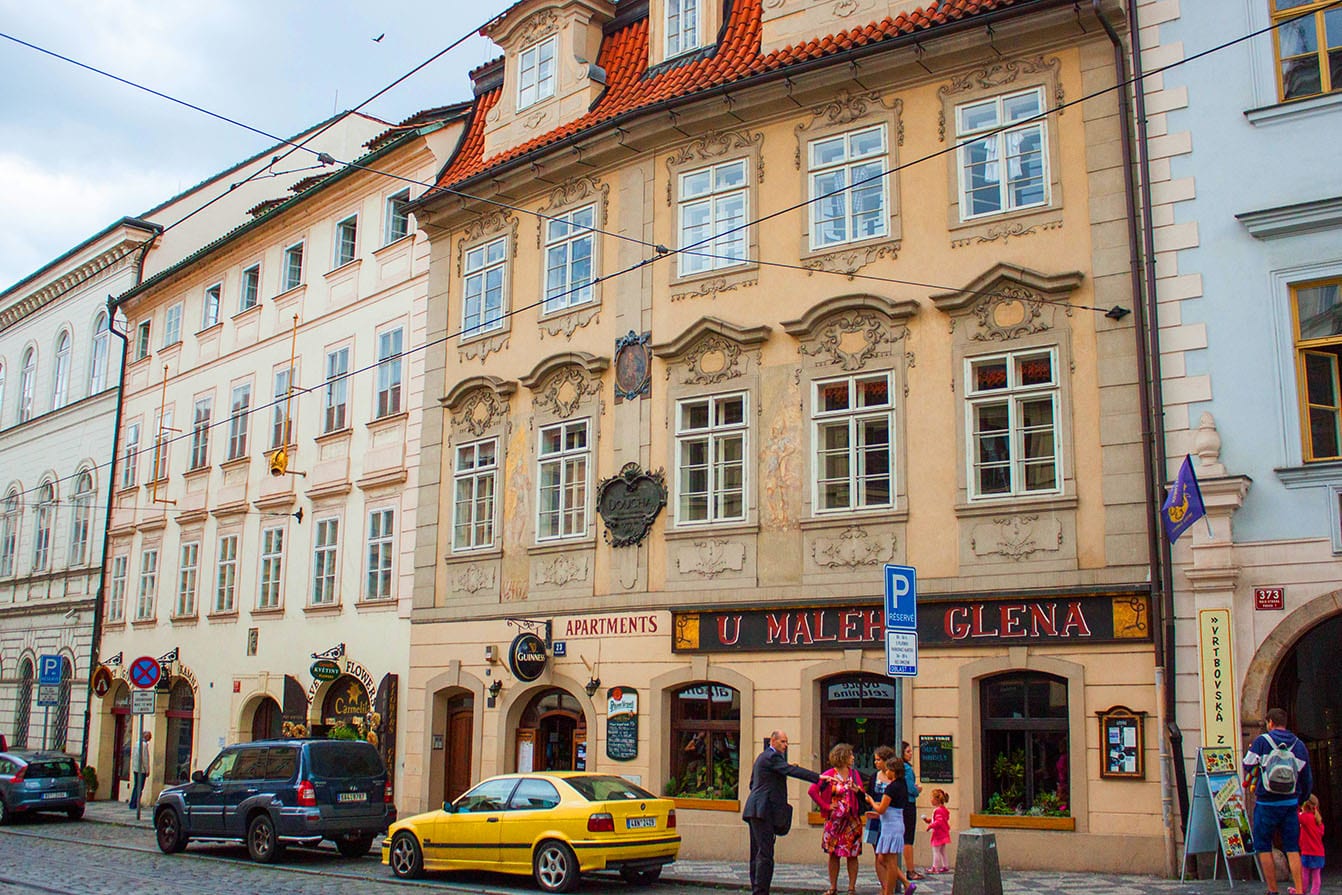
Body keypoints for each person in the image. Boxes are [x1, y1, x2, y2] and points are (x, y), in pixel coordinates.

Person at [743, 730, 823, 895]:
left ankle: (757, 889)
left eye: (787, 742)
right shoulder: (772, 757)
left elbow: (753, 783)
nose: (786, 745)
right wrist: (820, 778)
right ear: (773, 741)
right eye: (783, 742)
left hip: (755, 809)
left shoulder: (763, 757)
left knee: (757, 852)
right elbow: (792, 771)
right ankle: (761, 891)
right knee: (765, 854)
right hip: (763, 811)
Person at [1243, 707, 1312, 895]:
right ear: (1285, 723)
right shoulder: (1298, 745)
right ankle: (1299, 890)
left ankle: (1272, 890)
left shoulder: (1262, 742)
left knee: (1264, 846)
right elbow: (1307, 778)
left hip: (1266, 804)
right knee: (1292, 848)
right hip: (1289, 804)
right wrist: (1302, 798)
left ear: (1270, 723)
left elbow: (1247, 764)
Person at [865, 746, 915, 895]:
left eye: (879, 760)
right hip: (889, 822)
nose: (885, 771)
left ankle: (889, 891)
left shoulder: (893, 787)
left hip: (890, 825)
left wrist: (871, 801)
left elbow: (882, 809)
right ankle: (896, 886)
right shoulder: (899, 784)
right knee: (882, 857)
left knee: (890, 860)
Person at [816, 743, 864, 895]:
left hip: (852, 822)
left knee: (852, 855)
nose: (853, 758)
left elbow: (862, 793)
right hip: (834, 823)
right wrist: (825, 805)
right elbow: (813, 791)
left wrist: (858, 791)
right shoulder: (829, 774)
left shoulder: (854, 774)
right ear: (843, 756)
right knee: (833, 854)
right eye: (850, 755)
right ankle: (833, 887)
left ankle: (851, 888)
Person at [900, 741, 922, 880]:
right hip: (908, 803)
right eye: (908, 751)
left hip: (900, 805)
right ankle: (910, 870)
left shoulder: (898, 768)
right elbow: (910, 788)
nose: (911, 754)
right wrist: (917, 790)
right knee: (908, 838)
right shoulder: (906, 769)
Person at [1298, 794, 1325, 895]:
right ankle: (1315, 892)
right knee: (1316, 876)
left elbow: (1296, 817)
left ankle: (1302, 890)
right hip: (1319, 853)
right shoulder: (1318, 821)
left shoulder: (1305, 818)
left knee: (1305, 873)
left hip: (1307, 851)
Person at [921, 789, 951, 873]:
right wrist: (929, 820)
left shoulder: (938, 810)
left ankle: (935, 867)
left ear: (936, 800)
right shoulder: (943, 809)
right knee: (942, 850)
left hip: (938, 833)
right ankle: (945, 865)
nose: (930, 800)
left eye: (932, 798)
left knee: (936, 850)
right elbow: (940, 820)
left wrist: (930, 825)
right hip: (944, 832)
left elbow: (938, 822)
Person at [128, 730, 153, 810]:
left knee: (136, 786)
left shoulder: (137, 743)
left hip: (136, 768)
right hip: (141, 770)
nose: (150, 738)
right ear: (146, 737)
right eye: (149, 737)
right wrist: (147, 770)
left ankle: (133, 803)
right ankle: (135, 803)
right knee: (139, 787)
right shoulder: (144, 745)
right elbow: (144, 759)